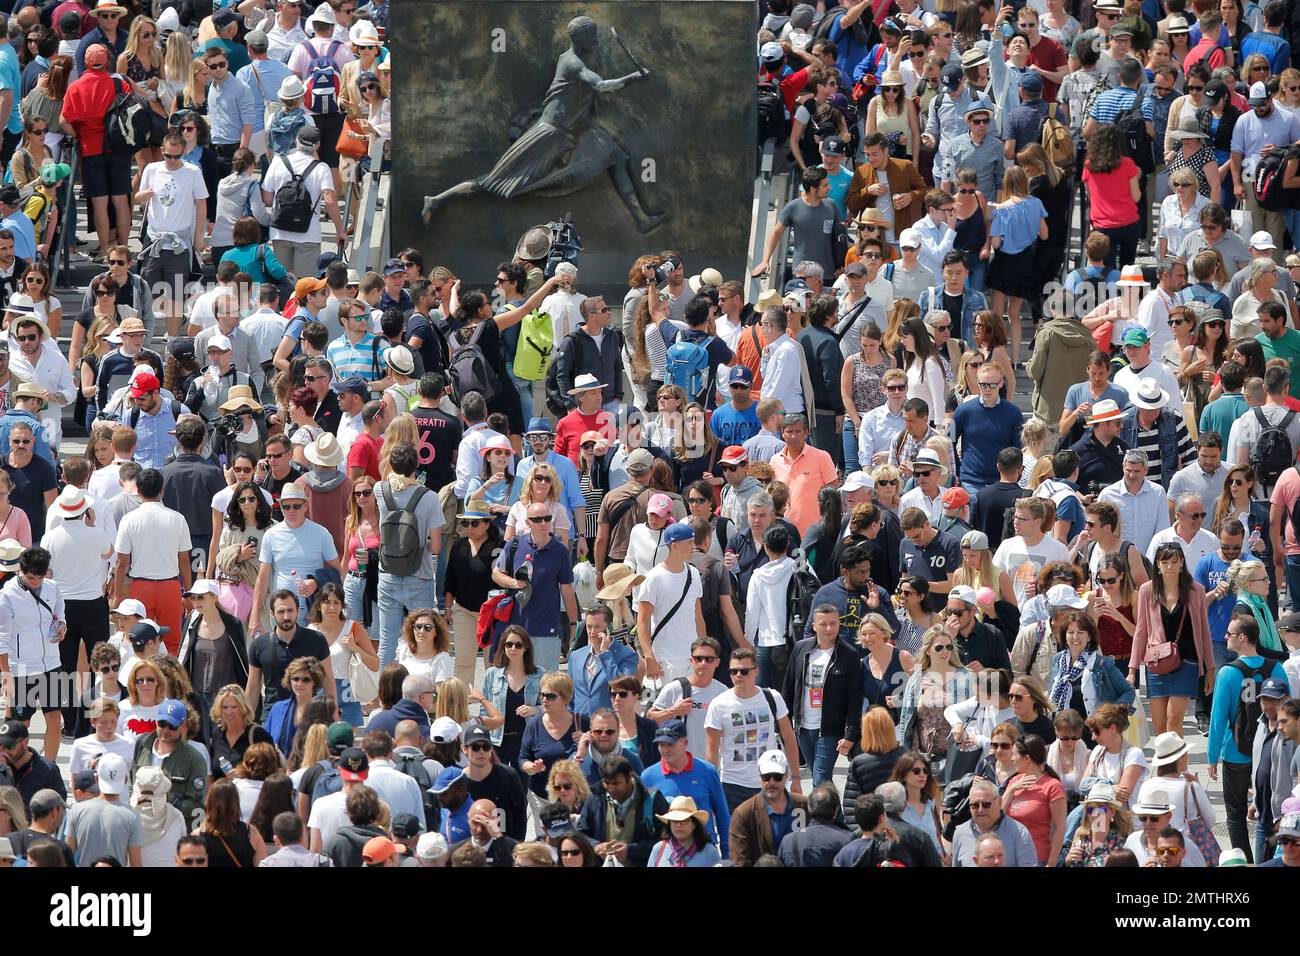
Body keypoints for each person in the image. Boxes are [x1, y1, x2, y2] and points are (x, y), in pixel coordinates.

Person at [1206, 614, 1288, 862]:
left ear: (1242, 637)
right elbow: (1291, 710)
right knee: (1269, 812)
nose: (1225, 638)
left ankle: (1244, 861)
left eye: (1229, 634)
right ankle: (1268, 860)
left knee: (1235, 813)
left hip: (1235, 752)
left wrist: (1212, 757)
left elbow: (1218, 718)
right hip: (1270, 750)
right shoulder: (1276, 668)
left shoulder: (1228, 673)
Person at [491, 500, 576, 675]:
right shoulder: (514, 544)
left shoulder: (559, 550)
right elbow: (496, 574)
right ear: (528, 522)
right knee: (514, 680)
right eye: (538, 520)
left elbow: (566, 588)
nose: (544, 523)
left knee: (546, 684)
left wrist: (573, 622)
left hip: (547, 628)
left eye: (547, 518)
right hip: (516, 628)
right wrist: (513, 583)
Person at [62, 752, 140, 867]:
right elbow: (136, 864)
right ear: (125, 780)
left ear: (97, 778)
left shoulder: (76, 811)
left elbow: (66, 859)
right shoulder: (132, 816)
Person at [951, 776, 1039, 867]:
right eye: (975, 805)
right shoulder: (960, 833)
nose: (980, 810)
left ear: (1000, 802)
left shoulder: (1018, 832)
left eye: (986, 804)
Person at [1063, 782, 1134, 866]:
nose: (1095, 814)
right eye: (1091, 809)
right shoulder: (1081, 834)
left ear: (1112, 812)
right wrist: (1067, 860)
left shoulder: (1120, 843)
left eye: (1101, 809)